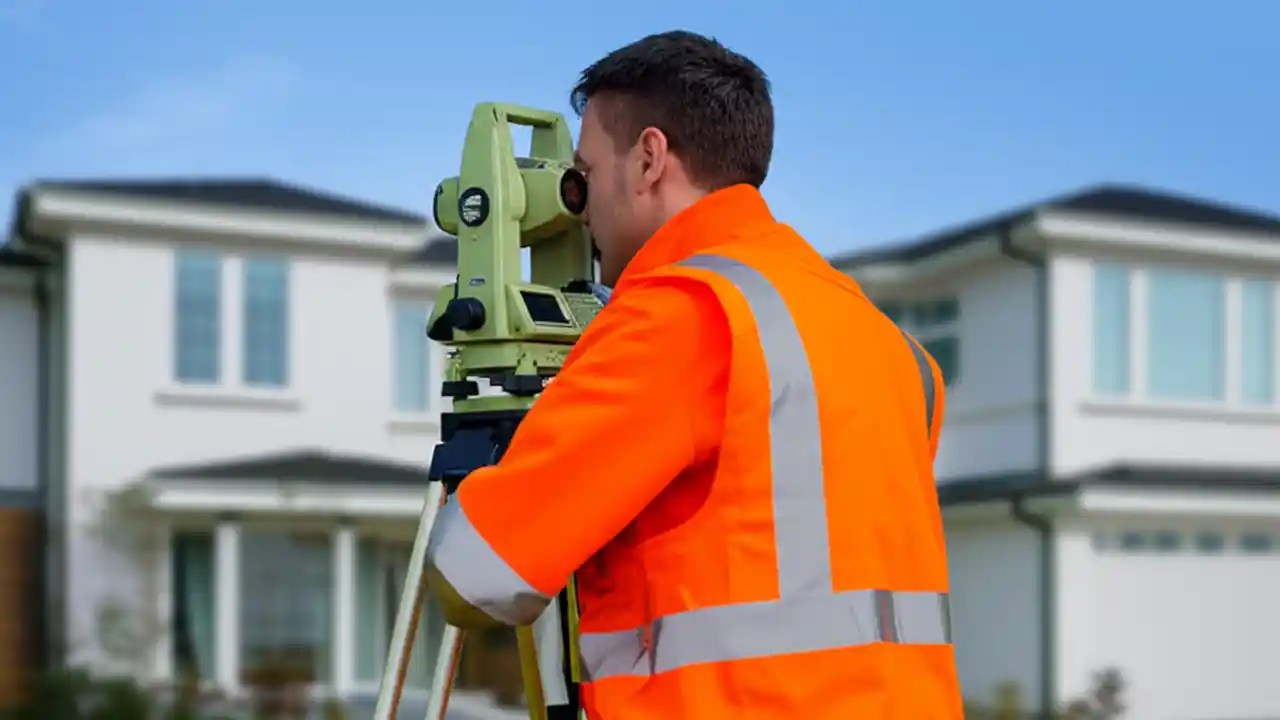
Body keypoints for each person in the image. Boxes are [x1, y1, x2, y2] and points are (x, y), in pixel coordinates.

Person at [425, 29, 963, 718]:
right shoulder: (884, 340)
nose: (577, 207)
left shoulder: (683, 316)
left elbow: (478, 577)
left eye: (584, 177)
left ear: (649, 159)